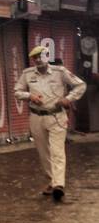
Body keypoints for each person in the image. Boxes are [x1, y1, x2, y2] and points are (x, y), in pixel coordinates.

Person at [15, 44, 87, 202]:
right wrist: (29, 96)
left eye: (39, 57)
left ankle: (58, 185)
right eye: (34, 58)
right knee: (43, 152)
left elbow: (80, 85)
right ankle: (52, 180)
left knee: (57, 151)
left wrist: (68, 98)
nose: (37, 61)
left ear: (46, 57)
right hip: (36, 117)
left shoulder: (59, 72)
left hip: (56, 117)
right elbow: (17, 91)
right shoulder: (27, 74)